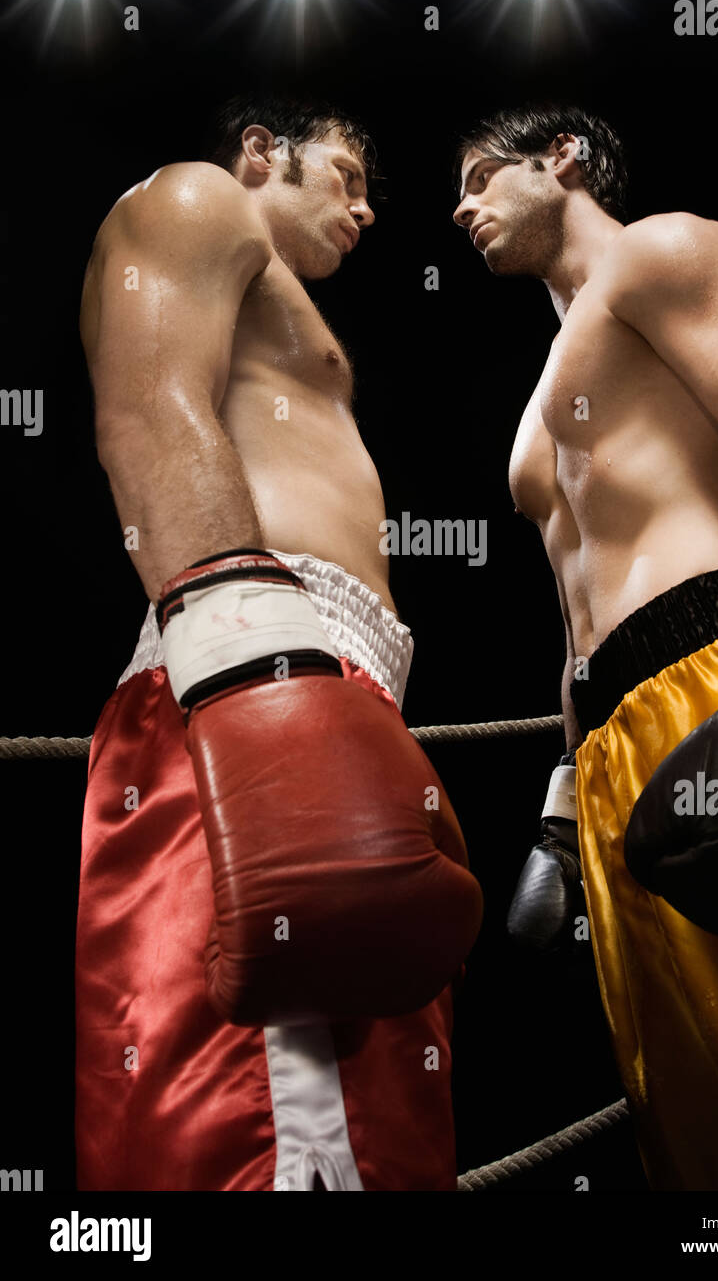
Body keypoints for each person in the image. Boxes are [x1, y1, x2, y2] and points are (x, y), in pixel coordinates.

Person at [453, 103, 718, 1190]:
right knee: (695, 1126)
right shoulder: (533, 411)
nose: (462, 204)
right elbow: (573, 611)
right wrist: (557, 804)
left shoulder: (661, 250)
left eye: (482, 176)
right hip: (611, 762)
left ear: (564, 159)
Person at [76, 95, 483, 1192]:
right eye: (344, 174)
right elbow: (149, 407)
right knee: (257, 1132)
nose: (362, 207)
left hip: (325, 690)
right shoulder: (198, 199)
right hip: (245, 681)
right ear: (261, 152)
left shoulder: (284, 298)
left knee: (379, 1133)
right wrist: (254, 665)